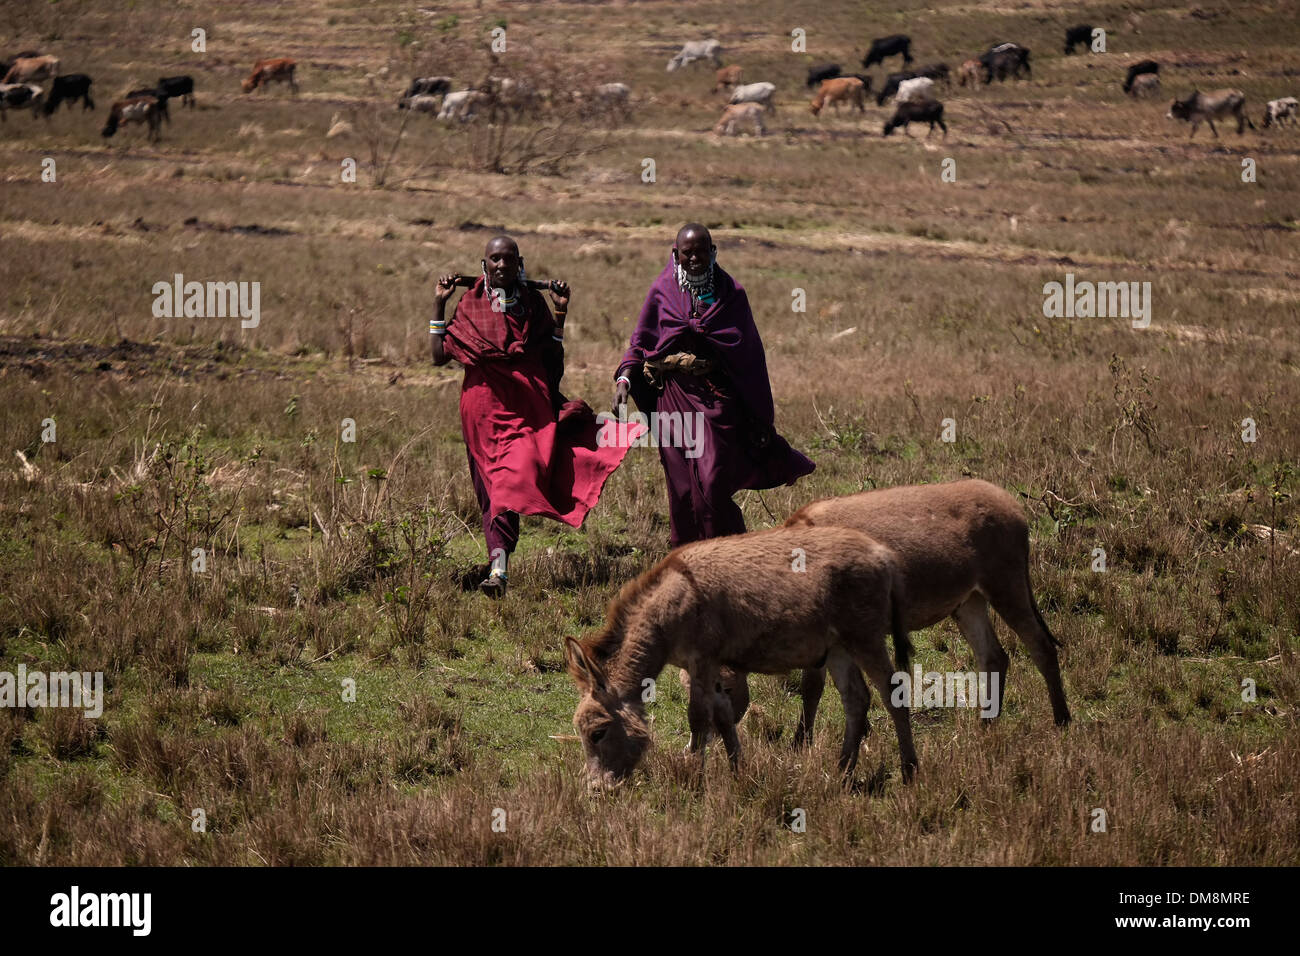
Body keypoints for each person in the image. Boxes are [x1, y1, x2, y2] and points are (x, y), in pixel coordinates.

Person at [432, 235, 634, 597]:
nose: (501, 266)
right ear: (484, 264)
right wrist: (438, 304)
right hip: (482, 411)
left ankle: (498, 566)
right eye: (494, 259)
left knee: (514, 476)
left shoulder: (533, 305)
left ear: (519, 263)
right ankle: (499, 568)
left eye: (508, 260)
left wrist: (560, 313)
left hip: (526, 408)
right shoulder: (469, 303)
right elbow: (437, 356)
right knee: (491, 488)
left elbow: (552, 366)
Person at [613, 223, 815, 549]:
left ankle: (730, 552)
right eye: (687, 253)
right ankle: (690, 558)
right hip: (674, 402)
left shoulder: (731, 295)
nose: (694, 258)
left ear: (713, 251)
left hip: (717, 402)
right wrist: (624, 378)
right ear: (676, 255)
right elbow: (640, 341)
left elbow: (750, 358)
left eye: (701, 251)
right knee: (681, 487)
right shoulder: (663, 291)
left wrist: (760, 417)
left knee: (711, 480)